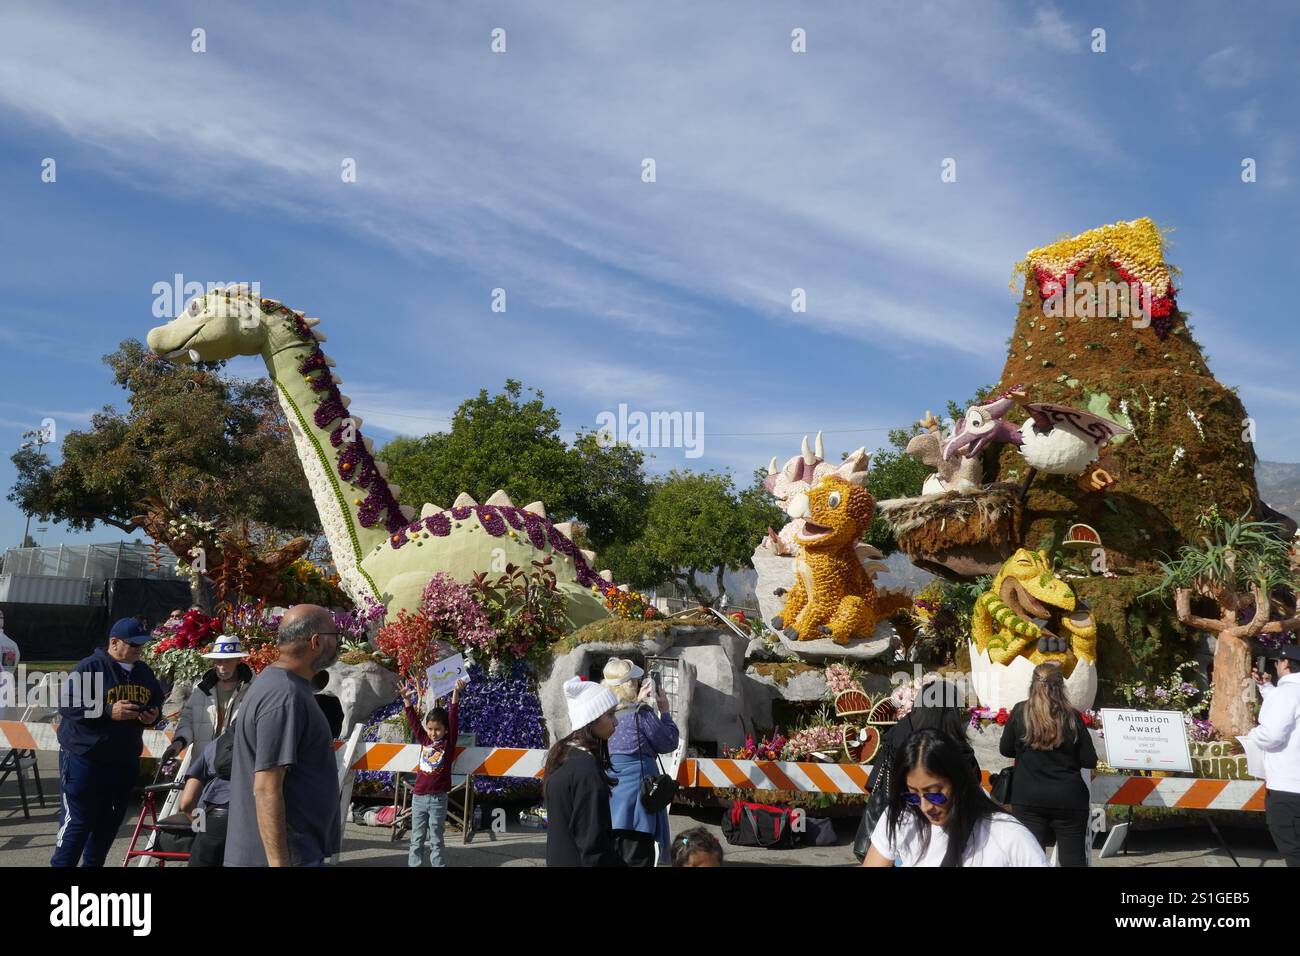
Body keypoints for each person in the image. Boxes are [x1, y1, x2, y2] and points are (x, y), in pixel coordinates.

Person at [224, 605, 341, 867]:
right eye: (336, 636)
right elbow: (266, 787)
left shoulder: (283, 686)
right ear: (317, 641)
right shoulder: (285, 695)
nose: (338, 643)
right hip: (283, 858)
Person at [51, 618, 163, 867]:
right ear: (114, 642)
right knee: (78, 821)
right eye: (133, 644)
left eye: (142, 644)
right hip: (85, 757)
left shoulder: (143, 671)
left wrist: (153, 715)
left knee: (109, 821)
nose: (138, 649)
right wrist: (107, 710)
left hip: (123, 758)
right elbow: (68, 705)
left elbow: (156, 701)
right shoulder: (91, 667)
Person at [862, 729, 1047, 867]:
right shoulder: (902, 819)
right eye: (913, 795)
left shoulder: (1007, 835)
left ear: (958, 781)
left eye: (933, 794)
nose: (925, 807)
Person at [854, 677, 980, 861]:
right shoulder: (958, 751)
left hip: (897, 830)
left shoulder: (900, 734)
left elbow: (878, 782)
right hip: (948, 841)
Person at [998, 663, 1098, 867]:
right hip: (1069, 797)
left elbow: (1005, 749)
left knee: (1029, 861)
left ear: (1032, 685)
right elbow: (1090, 760)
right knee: (1073, 861)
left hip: (1028, 798)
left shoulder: (1020, 712)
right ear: (1061, 686)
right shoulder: (1072, 716)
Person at [602, 657, 679, 866]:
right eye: (635, 682)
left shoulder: (601, 717)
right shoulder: (641, 714)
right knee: (637, 858)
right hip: (639, 806)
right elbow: (668, 742)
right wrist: (664, 712)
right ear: (630, 686)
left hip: (608, 805)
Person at [543, 677, 622, 867]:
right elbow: (593, 845)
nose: (616, 722)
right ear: (591, 719)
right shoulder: (586, 771)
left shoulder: (563, 754)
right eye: (610, 715)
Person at [400, 675, 467, 867]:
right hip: (419, 797)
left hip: (438, 799)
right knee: (417, 838)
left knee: (437, 839)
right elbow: (413, 722)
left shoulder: (449, 743)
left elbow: (453, 717)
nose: (433, 733)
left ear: (445, 730)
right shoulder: (425, 741)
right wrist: (406, 700)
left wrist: (455, 693)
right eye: (430, 729)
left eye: (437, 729)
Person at [1246, 643, 1300, 866]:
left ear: (1285, 663)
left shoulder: (1286, 693)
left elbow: (1272, 734)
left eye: (1276, 662)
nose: (1275, 666)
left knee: (1293, 851)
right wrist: (1267, 688)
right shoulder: (1284, 694)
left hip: (1288, 789)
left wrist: (1251, 734)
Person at [169, 635, 253, 762]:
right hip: (202, 763)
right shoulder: (201, 688)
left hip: (234, 766)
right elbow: (188, 720)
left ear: (239, 660)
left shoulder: (253, 689)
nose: (222, 666)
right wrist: (179, 742)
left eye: (228, 661)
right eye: (218, 661)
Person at [177, 737, 232, 867]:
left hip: (215, 818)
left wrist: (201, 829)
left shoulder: (217, 744)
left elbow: (187, 802)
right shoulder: (274, 741)